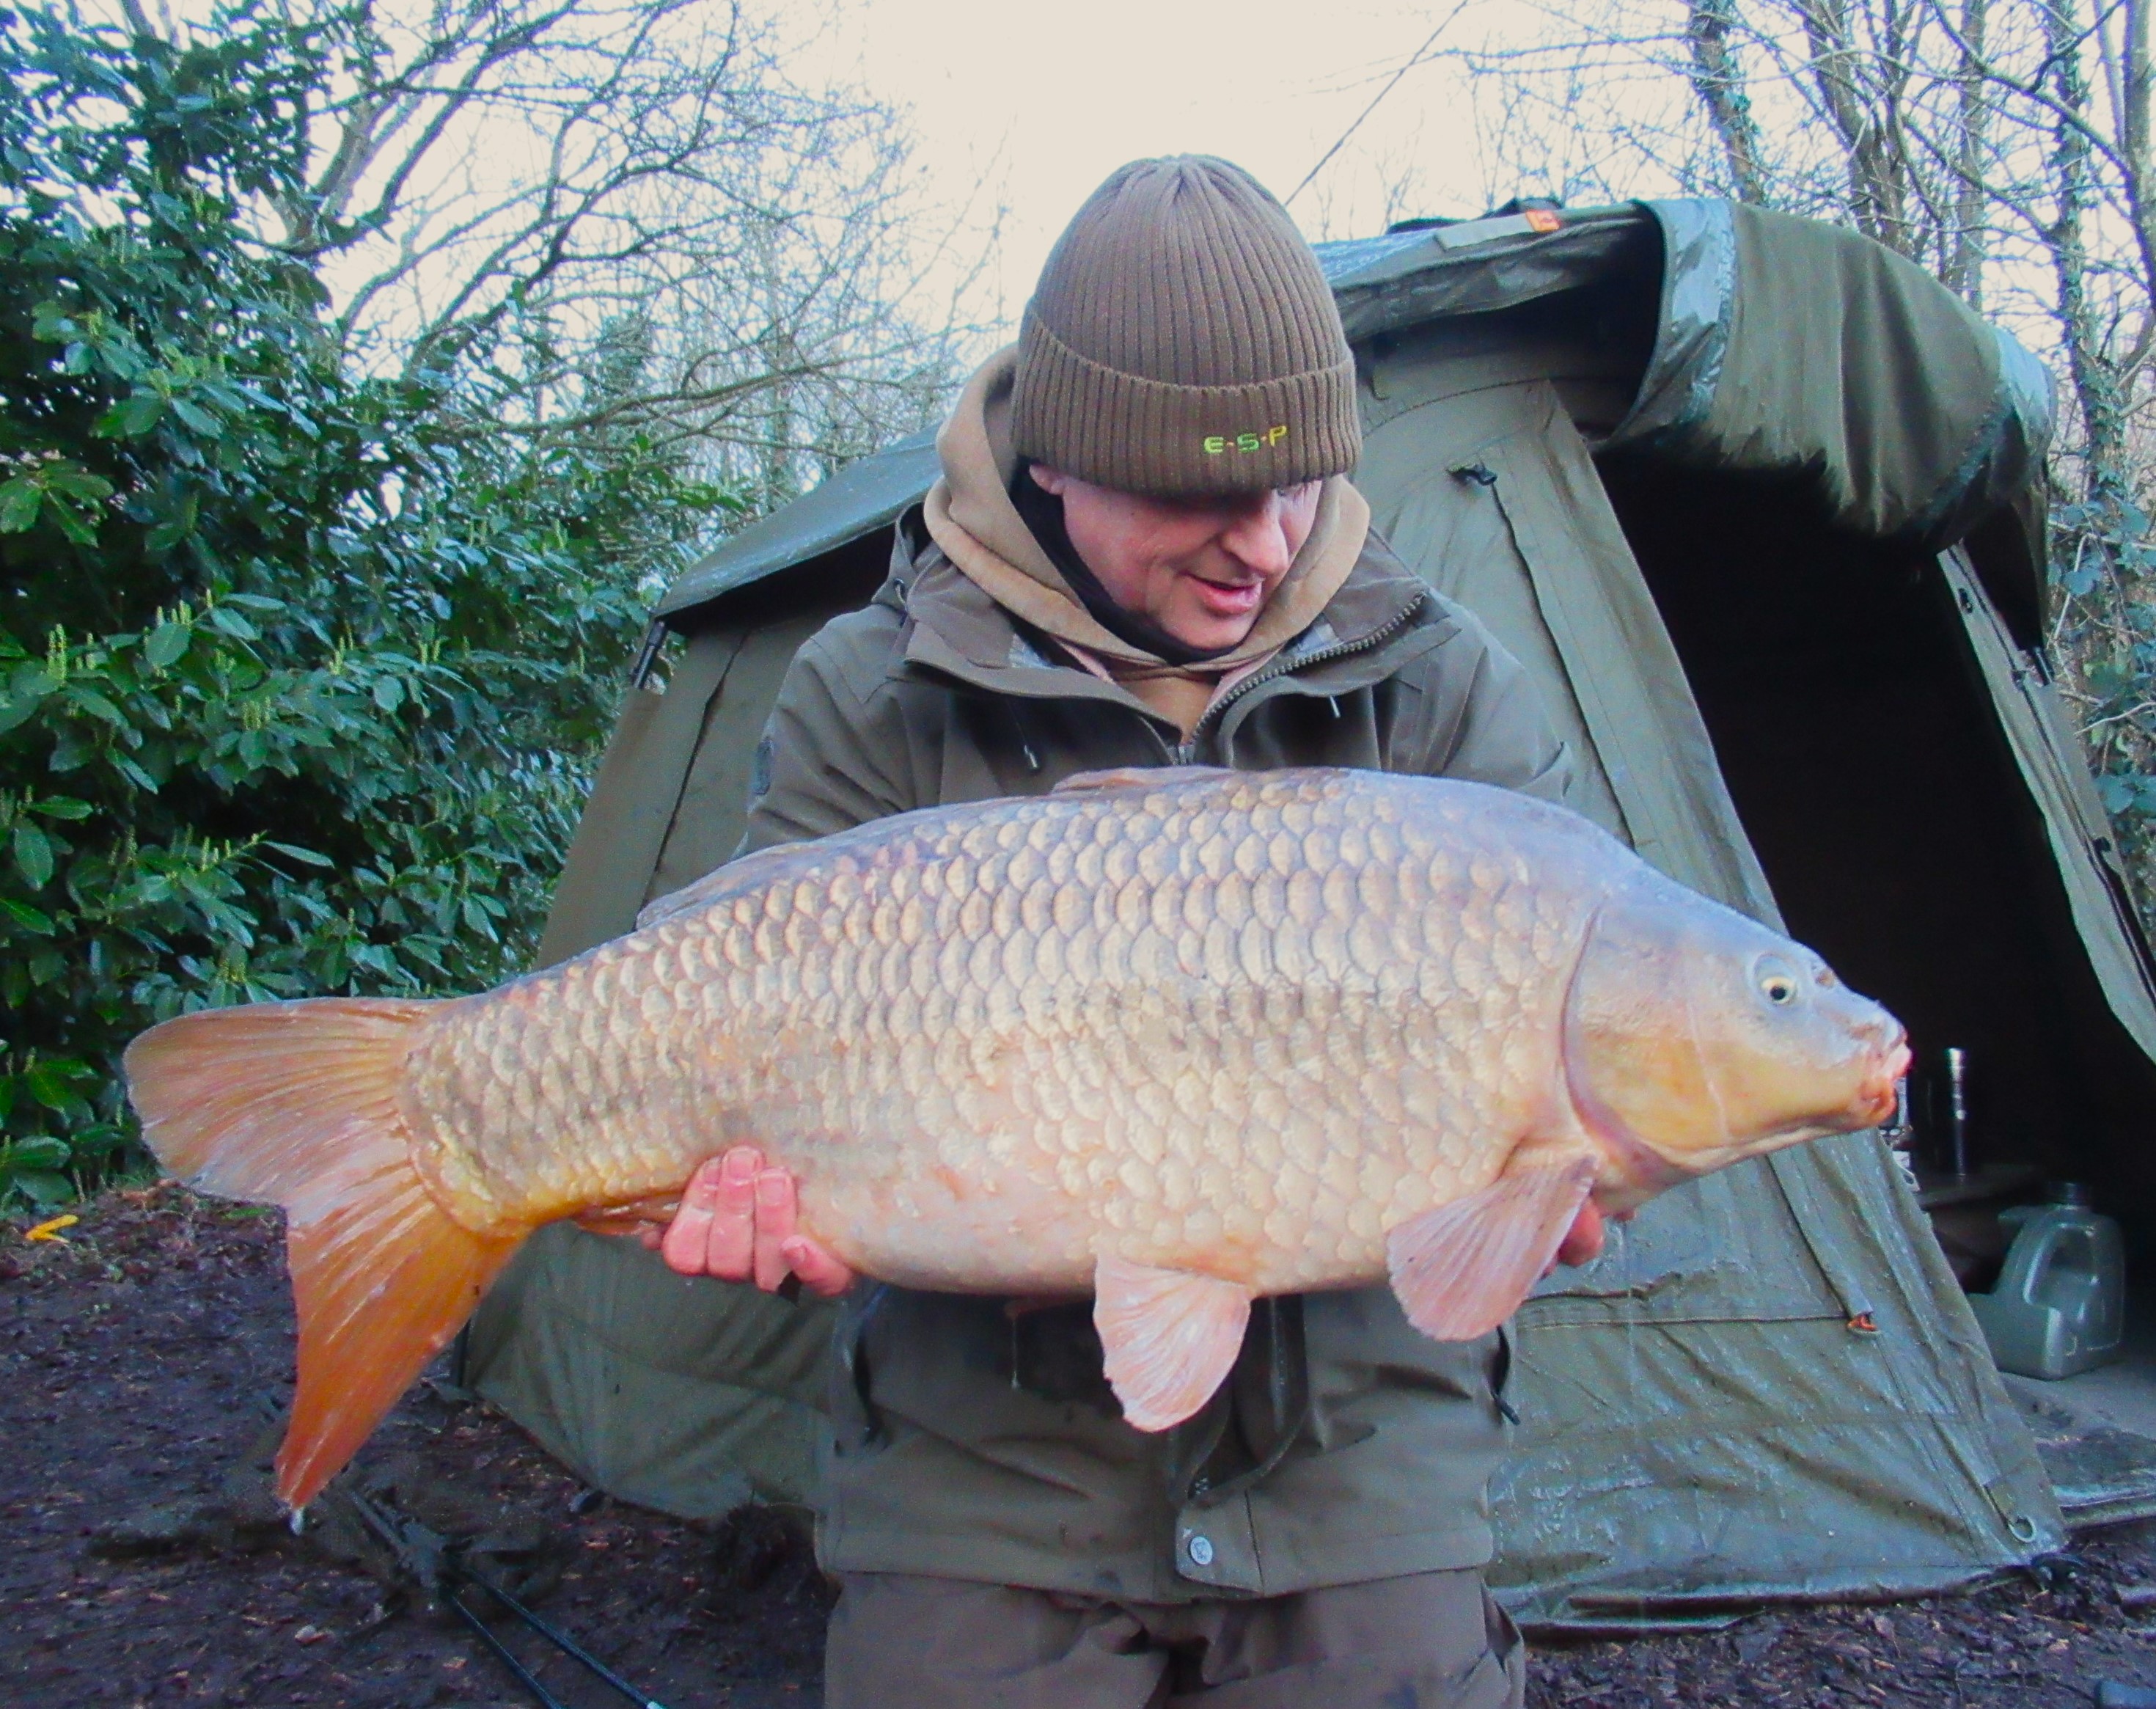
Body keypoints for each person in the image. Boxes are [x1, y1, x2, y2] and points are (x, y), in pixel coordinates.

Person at [642, 155, 1598, 1708]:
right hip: (981, 1469)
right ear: (1061, 462)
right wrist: (736, 1185)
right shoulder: (871, 688)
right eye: (1198, 493)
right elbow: (750, 1048)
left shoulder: (1443, 687)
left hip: (1357, 1459)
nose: (1263, 545)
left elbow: (1572, 1081)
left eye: (1296, 485)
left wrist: (1539, 1189)